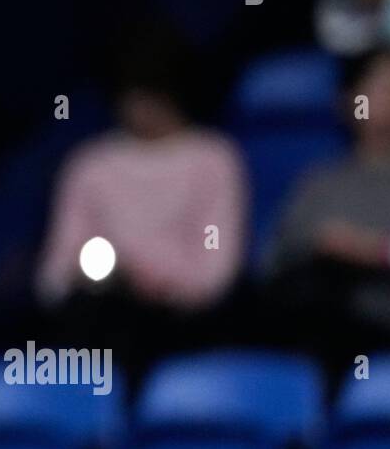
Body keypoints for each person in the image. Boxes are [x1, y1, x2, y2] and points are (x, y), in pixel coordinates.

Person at [33, 20, 250, 386]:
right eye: (131, 93)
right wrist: (100, 277)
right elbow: (53, 278)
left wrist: (150, 280)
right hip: (98, 316)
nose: (140, 107)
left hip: (180, 325)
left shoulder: (214, 160)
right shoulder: (89, 166)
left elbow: (215, 276)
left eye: (152, 92)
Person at [262, 45, 390, 375]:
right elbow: (273, 260)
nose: (384, 98)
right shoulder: (320, 182)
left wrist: (382, 251)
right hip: (313, 318)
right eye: (372, 85)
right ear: (348, 100)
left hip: (389, 323)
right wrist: (324, 245)